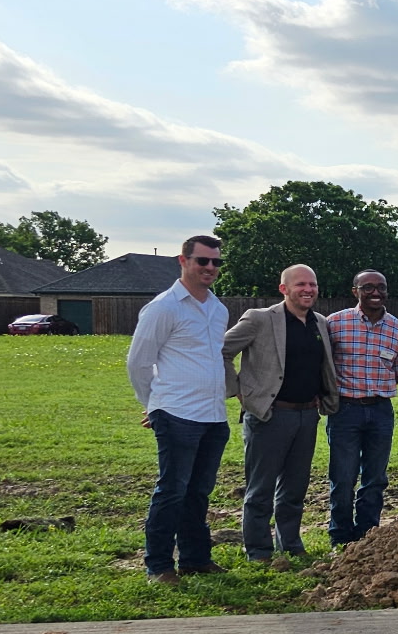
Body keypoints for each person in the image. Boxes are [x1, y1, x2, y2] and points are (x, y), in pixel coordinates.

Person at [126, 233, 231, 583]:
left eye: (216, 262)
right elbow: (139, 363)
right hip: (177, 414)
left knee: (199, 491)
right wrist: (154, 406)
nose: (210, 268)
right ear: (183, 261)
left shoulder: (218, 309)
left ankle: (195, 558)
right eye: (203, 261)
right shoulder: (163, 307)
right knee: (172, 490)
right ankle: (158, 565)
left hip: (214, 415)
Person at [223, 263, 340, 566]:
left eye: (312, 284)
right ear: (284, 289)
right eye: (300, 284)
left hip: (307, 416)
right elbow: (221, 350)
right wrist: (239, 391)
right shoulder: (260, 319)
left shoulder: (320, 323)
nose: (308, 290)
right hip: (269, 416)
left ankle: (290, 543)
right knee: (260, 488)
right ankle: (259, 551)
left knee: (295, 488)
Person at [323, 269, 398, 546]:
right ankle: (340, 536)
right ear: (355, 291)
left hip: (380, 411)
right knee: (343, 476)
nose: (375, 293)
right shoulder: (334, 324)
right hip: (345, 410)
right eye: (368, 287)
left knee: (375, 477)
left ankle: (367, 535)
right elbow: (323, 365)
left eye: (381, 287)